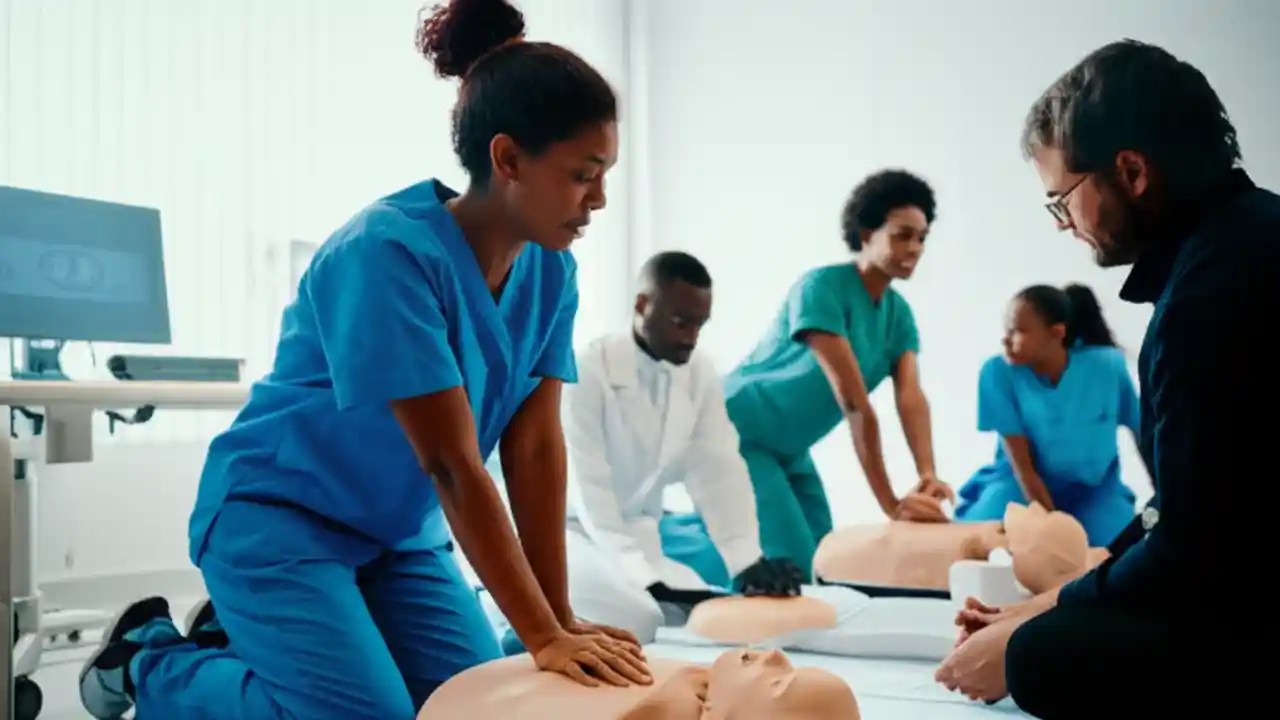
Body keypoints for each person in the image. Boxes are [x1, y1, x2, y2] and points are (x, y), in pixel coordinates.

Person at [79, 2, 653, 719]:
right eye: (583, 174)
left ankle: (252, 638)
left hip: (400, 536)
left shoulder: (551, 271)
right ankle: (151, 662)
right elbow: (451, 463)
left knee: (472, 706)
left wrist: (559, 618)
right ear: (508, 160)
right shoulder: (388, 252)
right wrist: (541, 637)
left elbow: (533, 448)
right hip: (281, 520)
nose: (599, 199)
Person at [935, 39, 1276, 716]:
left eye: (1061, 199)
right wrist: (1050, 598)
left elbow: (1190, 549)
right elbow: (1181, 506)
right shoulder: (1248, 239)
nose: (1063, 224)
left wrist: (1032, 628)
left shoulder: (1203, 302)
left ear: (1131, 171)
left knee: (1037, 658)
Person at [722, 169, 955, 581]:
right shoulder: (820, 288)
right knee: (787, 565)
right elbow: (854, 404)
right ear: (866, 233)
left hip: (792, 447)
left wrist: (927, 474)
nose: (915, 248)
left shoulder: (898, 314)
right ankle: (675, 546)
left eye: (922, 237)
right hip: (740, 431)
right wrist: (891, 504)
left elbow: (911, 397)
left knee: (823, 561)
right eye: (902, 235)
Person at [560, 251, 803, 644]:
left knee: (699, 610)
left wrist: (746, 559)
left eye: (699, 325)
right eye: (680, 322)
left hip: (639, 536)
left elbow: (719, 468)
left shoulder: (698, 372)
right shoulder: (585, 371)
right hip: (570, 534)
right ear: (642, 305)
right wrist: (642, 579)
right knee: (639, 616)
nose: (691, 337)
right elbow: (591, 491)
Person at [953, 283, 1140, 546]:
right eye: (1006, 330)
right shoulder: (997, 372)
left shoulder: (1107, 367)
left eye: (1017, 331)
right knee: (987, 542)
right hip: (1018, 483)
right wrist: (1052, 530)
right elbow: (1023, 466)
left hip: (1095, 492)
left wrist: (1169, 499)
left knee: (1121, 550)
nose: (1005, 340)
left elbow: (1144, 433)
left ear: (1056, 333)